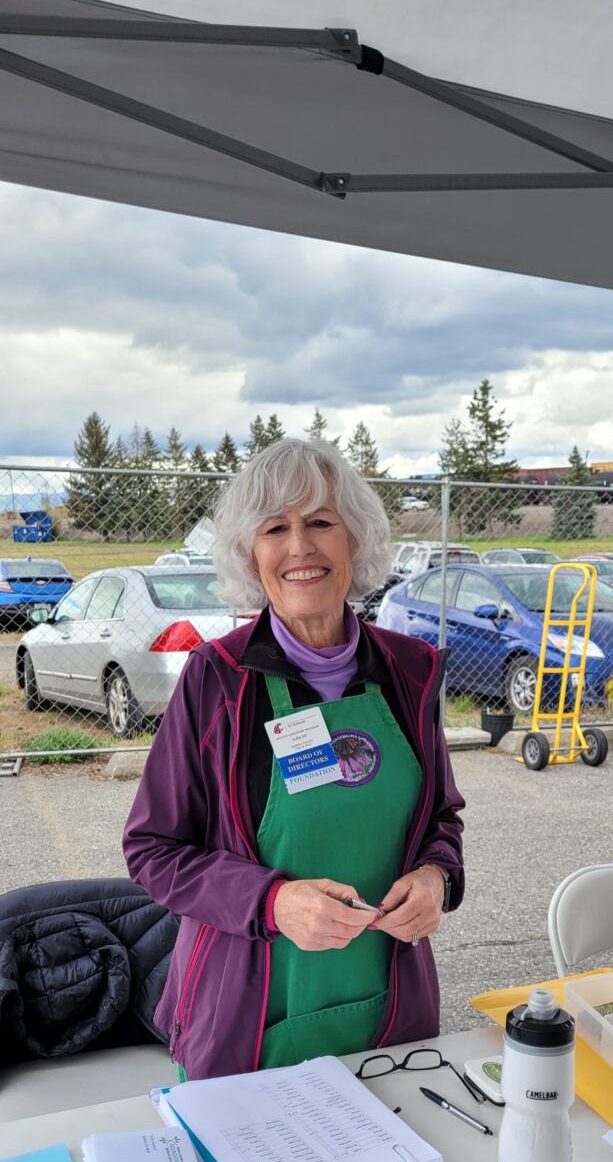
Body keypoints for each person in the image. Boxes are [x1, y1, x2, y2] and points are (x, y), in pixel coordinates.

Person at [123, 438, 464, 1078]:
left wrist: (436, 878)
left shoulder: (412, 671)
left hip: (392, 1010)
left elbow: (441, 817)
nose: (300, 547)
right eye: (275, 528)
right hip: (246, 1016)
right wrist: (272, 902)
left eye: (321, 522)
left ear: (354, 539)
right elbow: (153, 849)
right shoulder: (216, 680)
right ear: (251, 556)